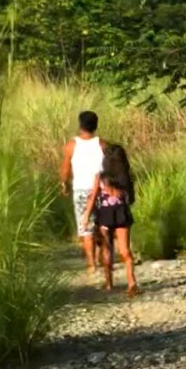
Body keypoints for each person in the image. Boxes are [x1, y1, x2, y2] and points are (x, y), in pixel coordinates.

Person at [83, 141, 139, 297]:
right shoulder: (126, 178)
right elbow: (131, 199)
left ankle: (109, 283)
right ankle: (131, 281)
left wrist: (86, 216)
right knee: (125, 250)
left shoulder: (101, 178)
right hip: (122, 214)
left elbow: (93, 197)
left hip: (105, 215)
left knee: (107, 249)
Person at [59, 110, 104, 275]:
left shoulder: (72, 145)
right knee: (100, 224)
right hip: (100, 189)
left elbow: (65, 168)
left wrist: (64, 182)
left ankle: (92, 264)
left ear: (80, 125)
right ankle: (100, 257)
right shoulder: (102, 145)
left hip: (81, 189)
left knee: (85, 227)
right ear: (95, 125)